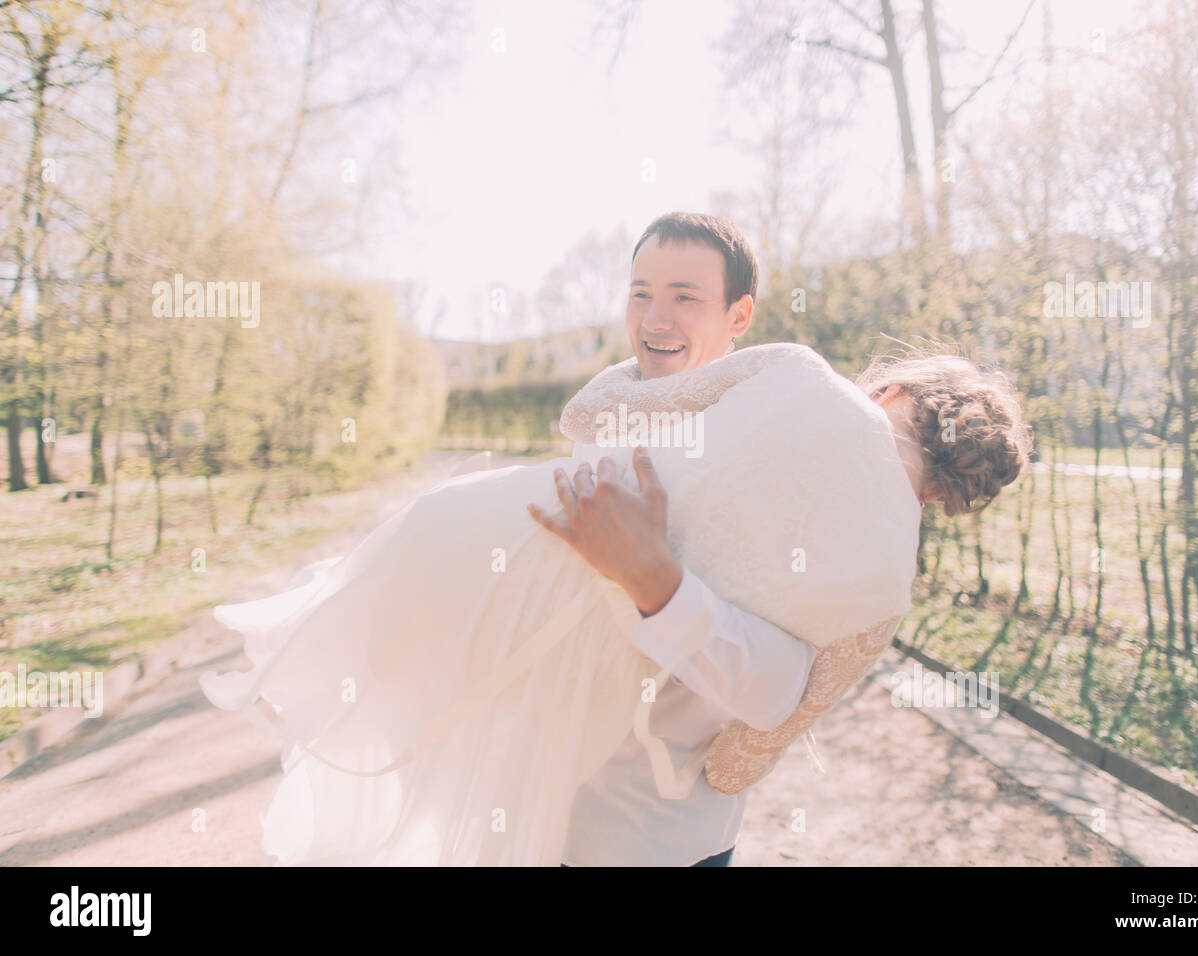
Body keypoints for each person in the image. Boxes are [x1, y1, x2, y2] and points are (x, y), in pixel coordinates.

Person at [199, 212, 1032, 867]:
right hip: (603, 816)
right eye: (642, 294)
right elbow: (746, 751)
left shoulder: (793, 387)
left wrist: (656, 581)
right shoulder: (876, 576)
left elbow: (762, 703)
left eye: (682, 298)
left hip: (620, 827)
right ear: (944, 495)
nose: (656, 318)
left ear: (886, 389)